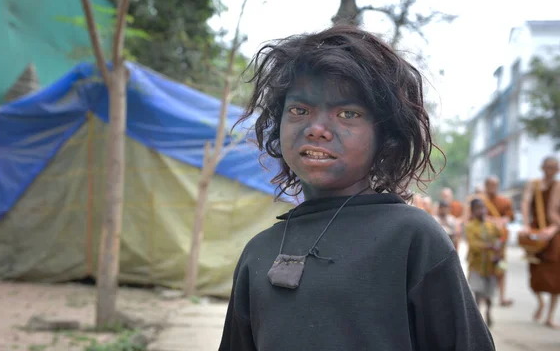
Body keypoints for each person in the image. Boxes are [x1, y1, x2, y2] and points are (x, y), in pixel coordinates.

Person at [219, 26, 494, 350]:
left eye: (347, 113)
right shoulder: (259, 251)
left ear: (386, 137)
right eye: (299, 110)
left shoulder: (412, 238)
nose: (317, 129)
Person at [522, 156, 560, 329]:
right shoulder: (534, 184)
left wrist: (552, 230)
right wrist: (525, 225)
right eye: (547, 166)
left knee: (556, 276)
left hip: (555, 234)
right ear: (542, 167)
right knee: (534, 272)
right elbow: (525, 202)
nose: (549, 170)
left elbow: (553, 212)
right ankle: (540, 303)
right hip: (536, 231)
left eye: (553, 167)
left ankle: (550, 316)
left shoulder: (558, 186)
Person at [465, 198, 504, 327]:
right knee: (477, 291)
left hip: (490, 265)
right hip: (476, 265)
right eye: (478, 208)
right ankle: (478, 317)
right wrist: (488, 247)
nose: (481, 211)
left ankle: (488, 312)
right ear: (472, 211)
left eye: (483, 208)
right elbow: (473, 244)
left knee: (489, 293)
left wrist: (498, 251)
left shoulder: (491, 225)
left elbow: (501, 238)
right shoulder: (470, 226)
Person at [483, 175, 515, 307]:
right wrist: (491, 221)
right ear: (486, 185)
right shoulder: (479, 200)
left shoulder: (504, 201)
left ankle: (502, 297)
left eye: (495, 185)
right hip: (484, 241)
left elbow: (509, 217)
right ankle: (483, 296)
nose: (493, 188)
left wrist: (501, 221)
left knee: (501, 267)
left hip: (500, 241)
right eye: (490, 185)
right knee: (483, 268)